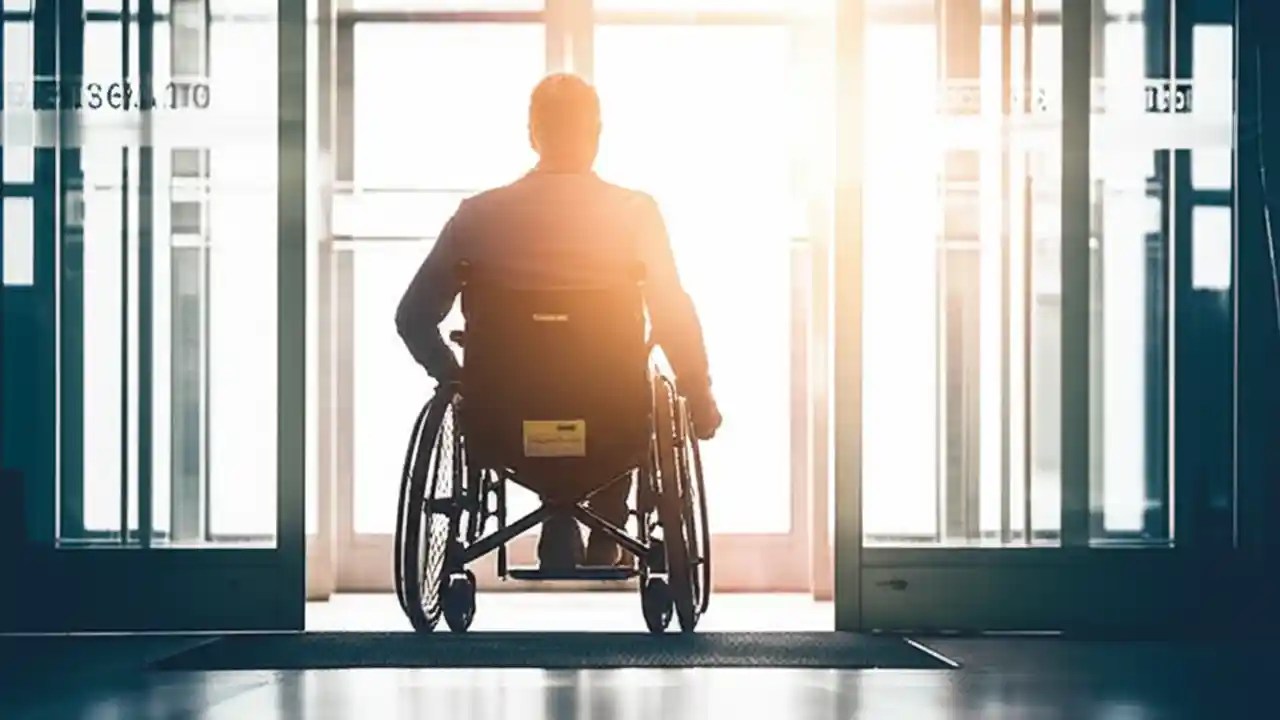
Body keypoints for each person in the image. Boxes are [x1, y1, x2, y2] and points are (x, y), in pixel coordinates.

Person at [395, 73, 721, 570]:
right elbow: (671, 310)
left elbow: (413, 316)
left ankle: (559, 516)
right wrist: (698, 398)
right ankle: (606, 510)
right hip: (612, 417)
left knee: (559, 386)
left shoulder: (477, 216)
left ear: (532, 134)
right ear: (596, 133)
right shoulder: (634, 212)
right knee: (626, 377)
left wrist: (456, 378)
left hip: (501, 420)